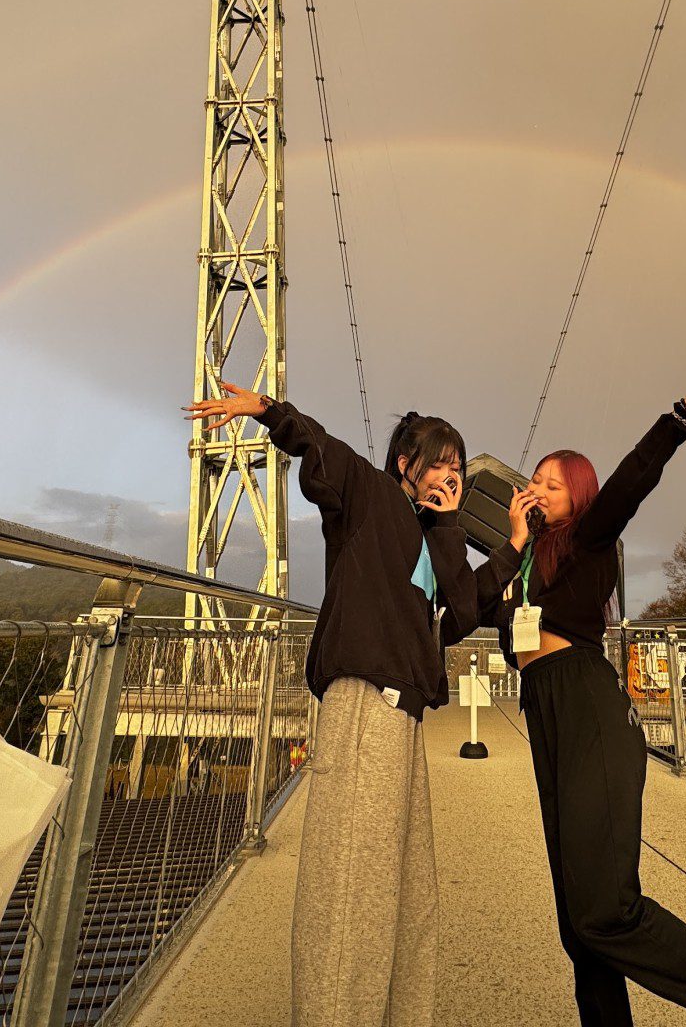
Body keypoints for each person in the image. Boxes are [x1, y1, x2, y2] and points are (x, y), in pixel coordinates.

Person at [475, 368, 686, 1027]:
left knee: (605, 909)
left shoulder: (589, 541)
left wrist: (679, 416)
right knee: (579, 924)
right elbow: (490, 614)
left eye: (551, 483)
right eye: (533, 482)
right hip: (546, 711)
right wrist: (514, 542)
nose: (536, 490)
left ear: (577, 497)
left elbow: (630, 483)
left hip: (590, 708)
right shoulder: (526, 558)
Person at [185, 380, 478, 1027]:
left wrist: (456, 525)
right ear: (406, 462)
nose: (451, 474)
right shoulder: (369, 498)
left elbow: (460, 612)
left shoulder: (431, 536)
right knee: (350, 892)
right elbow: (319, 450)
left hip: (403, 719)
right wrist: (268, 411)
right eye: (440, 461)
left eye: (458, 466)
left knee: (410, 897)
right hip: (364, 707)